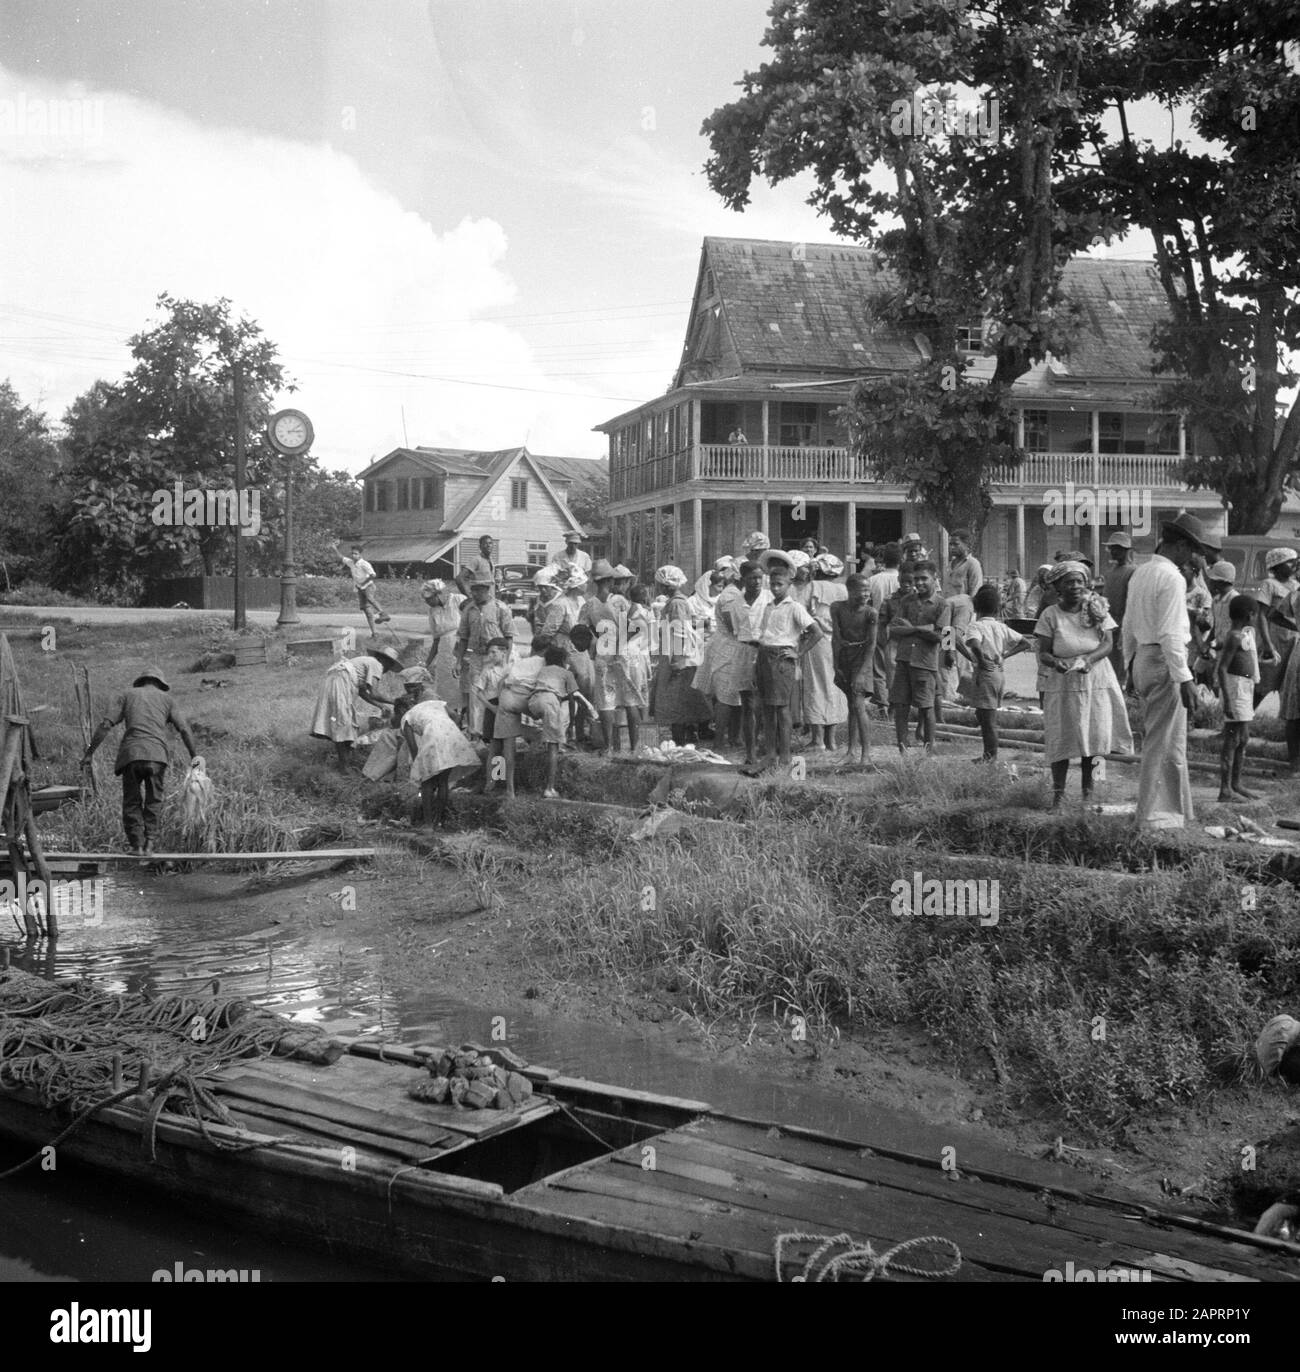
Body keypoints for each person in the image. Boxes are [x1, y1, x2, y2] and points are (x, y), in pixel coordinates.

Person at [1121, 511, 1220, 829]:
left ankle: (1176, 810)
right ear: (1179, 546)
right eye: (1194, 550)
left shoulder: (1141, 573)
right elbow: (1171, 634)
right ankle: (1152, 815)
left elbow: (1127, 624)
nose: (1195, 558)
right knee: (1162, 741)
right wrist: (1185, 678)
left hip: (1144, 658)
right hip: (1164, 661)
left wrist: (1129, 664)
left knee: (1172, 739)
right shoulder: (1173, 578)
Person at [1034, 563, 1132, 804]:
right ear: (1058, 587)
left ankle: (1088, 796)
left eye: (1079, 581)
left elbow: (1108, 643)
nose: (1075, 586)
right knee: (1062, 737)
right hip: (1063, 680)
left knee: (1095, 737)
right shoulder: (1050, 615)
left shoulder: (1096, 608)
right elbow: (1043, 652)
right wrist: (1056, 662)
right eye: (1068, 582)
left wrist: (1088, 659)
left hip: (1096, 677)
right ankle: (1058, 797)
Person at [82, 665, 199, 856]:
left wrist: (89, 753)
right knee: (154, 800)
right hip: (157, 757)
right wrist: (194, 756)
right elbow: (184, 729)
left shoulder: (127, 695)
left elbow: (105, 725)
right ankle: (150, 844)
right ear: (160, 684)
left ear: (141, 682)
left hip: (132, 756)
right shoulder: (167, 700)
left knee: (131, 801)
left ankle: (136, 846)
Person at [750, 550, 823, 772]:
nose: (775, 588)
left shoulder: (795, 607)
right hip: (765, 656)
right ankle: (771, 754)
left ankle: (786, 756)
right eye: (772, 584)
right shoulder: (769, 606)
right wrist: (756, 662)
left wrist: (798, 653)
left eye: (779, 584)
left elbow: (816, 632)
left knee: (782, 709)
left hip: (782, 658)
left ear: (789, 584)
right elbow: (763, 636)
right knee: (767, 708)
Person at [702, 559, 768, 762]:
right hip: (737, 649)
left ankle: (753, 744)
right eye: (751, 578)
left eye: (759, 578)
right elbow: (735, 629)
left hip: (760, 650)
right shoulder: (733, 598)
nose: (756, 582)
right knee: (738, 699)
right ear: (742, 577)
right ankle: (736, 746)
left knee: (759, 702)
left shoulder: (768, 598)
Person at [959, 584, 1033, 762]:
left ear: (975, 607)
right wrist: (1005, 655)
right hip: (998, 674)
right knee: (984, 714)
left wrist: (982, 659)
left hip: (986, 673)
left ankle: (990, 755)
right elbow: (1026, 643)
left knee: (988, 719)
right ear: (998, 608)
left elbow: (974, 644)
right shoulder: (1001, 627)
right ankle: (989, 753)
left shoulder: (976, 626)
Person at [580, 559, 644, 756]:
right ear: (610, 580)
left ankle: (607, 748)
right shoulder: (620, 602)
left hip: (603, 652)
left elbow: (580, 630)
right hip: (624, 653)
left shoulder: (589, 604)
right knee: (630, 700)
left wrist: (595, 639)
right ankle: (634, 747)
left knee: (606, 701)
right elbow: (633, 628)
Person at [887, 560, 949, 753]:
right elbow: (894, 629)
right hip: (904, 659)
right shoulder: (907, 601)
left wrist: (912, 628)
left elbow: (943, 637)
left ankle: (929, 751)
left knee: (926, 707)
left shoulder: (943, 605)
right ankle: (902, 750)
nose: (919, 583)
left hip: (926, 662)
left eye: (924, 579)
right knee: (901, 705)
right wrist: (926, 629)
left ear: (934, 578)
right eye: (916, 579)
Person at [308, 648, 402, 771]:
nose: (387, 671)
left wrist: (380, 706)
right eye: (389, 667)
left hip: (335, 680)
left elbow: (363, 692)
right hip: (340, 682)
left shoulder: (367, 662)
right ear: (386, 662)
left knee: (343, 721)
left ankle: (345, 761)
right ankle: (344, 766)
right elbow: (374, 693)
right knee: (343, 723)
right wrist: (395, 702)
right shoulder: (377, 664)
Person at [403, 682, 482, 828]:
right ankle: (438, 821)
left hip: (433, 737)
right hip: (451, 733)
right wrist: (452, 730)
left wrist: (419, 767)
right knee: (442, 781)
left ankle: (428, 825)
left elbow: (413, 746)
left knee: (427, 782)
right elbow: (456, 717)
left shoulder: (407, 716)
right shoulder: (438, 704)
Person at [799, 554, 849, 751]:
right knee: (834, 686)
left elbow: (801, 612)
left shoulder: (812, 588)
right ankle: (831, 739)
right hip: (838, 641)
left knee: (816, 685)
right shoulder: (844, 589)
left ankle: (817, 738)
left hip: (817, 640)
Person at [453, 577, 514, 734]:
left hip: (496, 657)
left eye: (479, 590)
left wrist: (505, 661)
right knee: (476, 694)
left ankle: (497, 730)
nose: (475, 593)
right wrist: (458, 662)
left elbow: (509, 636)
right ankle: (476, 732)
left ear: (487, 590)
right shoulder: (469, 610)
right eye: (473, 589)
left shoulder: (501, 608)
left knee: (497, 692)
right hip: (476, 657)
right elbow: (463, 637)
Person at [1217, 594, 1261, 801]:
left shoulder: (1244, 635)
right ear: (1248, 614)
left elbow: (1248, 658)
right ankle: (1225, 789)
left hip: (1245, 687)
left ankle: (1236, 783)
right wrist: (1227, 699)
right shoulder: (1234, 636)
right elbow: (1222, 669)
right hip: (1235, 689)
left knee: (1243, 738)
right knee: (1233, 738)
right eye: (1254, 613)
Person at [830, 573, 877, 768]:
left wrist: (861, 673)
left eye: (868, 590)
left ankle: (866, 754)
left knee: (859, 705)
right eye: (861, 590)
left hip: (862, 658)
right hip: (844, 656)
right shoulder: (837, 608)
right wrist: (836, 664)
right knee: (851, 705)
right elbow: (836, 636)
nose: (865, 594)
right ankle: (851, 751)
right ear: (849, 591)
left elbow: (872, 645)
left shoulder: (870, 613)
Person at [525, 644, 584, 797]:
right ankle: (549, 788)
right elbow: (572, 700)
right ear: (564, 660)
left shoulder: (543, 670)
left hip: (533, 701)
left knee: (545, 727)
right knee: (553, 747)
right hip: (549, 702)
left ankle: (538, 741)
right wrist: (571, 725)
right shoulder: (566, 673)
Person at [1256, 547, 1299, 706]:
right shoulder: (1269, 584)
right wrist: (1268, 644)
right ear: (1277, 565)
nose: (1293, 565)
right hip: (1274, 640)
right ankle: (1243, 722)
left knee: (1288, 684)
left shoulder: (1295, 585)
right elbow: (1262, 615)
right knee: (1264, 683)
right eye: (1289, 562)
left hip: (1292, 642)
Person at [866, 542, 901, 705]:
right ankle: (897, 701)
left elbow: (867, 604)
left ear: (883, 560)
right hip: (901, 627)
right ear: (901, 559)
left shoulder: (873, 580)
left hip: (878, 625)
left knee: (879, 666)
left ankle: (883, 703)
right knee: (898, 665)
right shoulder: (904, 580)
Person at [333, 541, 391, 635]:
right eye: (352, 553)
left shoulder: (364, 564)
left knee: (370, 598)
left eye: (356, 554)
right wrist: (334, 549)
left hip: (368, 586)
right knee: (367, 610)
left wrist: (363, 583)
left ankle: (383, 613)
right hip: (360, 588)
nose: (353, 555)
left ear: (360, 555)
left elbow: (373, 575)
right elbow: (341, 557)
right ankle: (374, 632)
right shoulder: (351, 562)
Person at [1102, 533, 1137, 687]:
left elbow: (1132, 602)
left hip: (1123, 625)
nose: (1113, 552)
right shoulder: (1111, 571)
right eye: (1112, 548)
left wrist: (1125, 626)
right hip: (1108, 625)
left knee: (1123, 667)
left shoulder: (1132, 571)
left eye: (1117, 549)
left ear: (1127, 550)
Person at [421, 578, 465, 673]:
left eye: (429, 599)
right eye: (425, 600)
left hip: (461, 649)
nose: (427, 602)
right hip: (444, 652)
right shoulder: (432, 611)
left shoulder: (458, 600)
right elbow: (436, 640)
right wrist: (427, 663)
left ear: (439, 594)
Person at [944, 529, 983, 599]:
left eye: (956, 544)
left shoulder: (973, 564)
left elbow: (975, 591)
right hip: (948, 607)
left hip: (964, 608)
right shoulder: (950, 565)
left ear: (966, 544)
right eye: (950, 544)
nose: (952, 547)